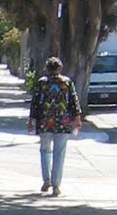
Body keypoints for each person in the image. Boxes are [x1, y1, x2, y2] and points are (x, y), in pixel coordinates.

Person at [27, 56, 82, 196]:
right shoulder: (67, 83)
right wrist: (77, 118)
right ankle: (56, 185)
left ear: (47, 68)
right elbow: (74, 102)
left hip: (45, 122)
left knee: (45, 150)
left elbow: (35, 103)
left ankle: (46, 179)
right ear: (60, 68)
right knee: (59, 153)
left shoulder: (41, 83)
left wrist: (31, 121)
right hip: (63, 123)